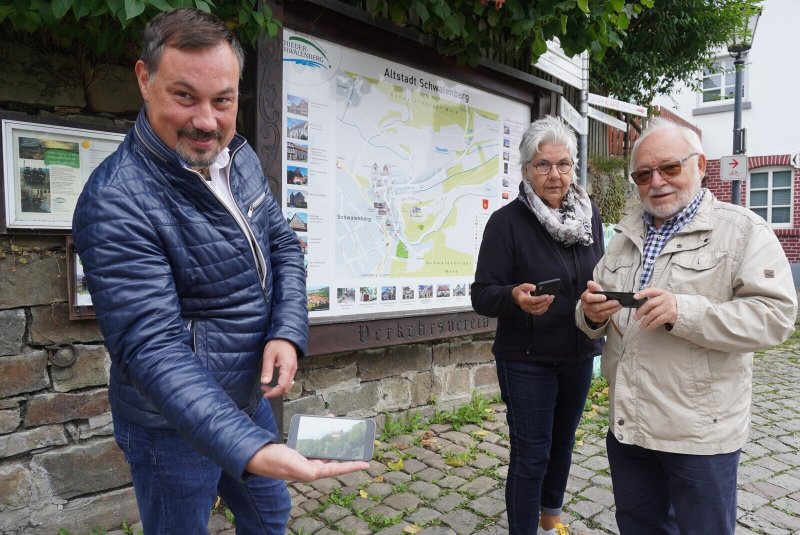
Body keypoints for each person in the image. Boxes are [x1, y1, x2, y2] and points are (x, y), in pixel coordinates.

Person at [72, 9, 368, 534]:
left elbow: (282, 245)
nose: (207, 121)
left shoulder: (238, 156)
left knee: (269, 513)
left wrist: (285, 330)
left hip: (243, 396)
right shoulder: (115, 201)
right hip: (168, 423)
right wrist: (251, 447)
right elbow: (152, 348)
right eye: (184, 96)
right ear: (145, 78)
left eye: (223, 100)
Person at [577, 118, 797, 535]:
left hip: (698, 436)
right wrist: (589, 313)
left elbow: (776, 316)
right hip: (630, 427)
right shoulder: (625, 236)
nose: (656, 181)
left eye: (669, 168)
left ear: (700, 165)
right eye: (643, 174)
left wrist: (685, 312)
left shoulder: (744, 231)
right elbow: (593, 310)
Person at [472, 115, 605, 535]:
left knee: (563, 445)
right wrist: (513, 297)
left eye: (563, 164)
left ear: (573, 168)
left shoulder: (589, 218)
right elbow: (481, 294)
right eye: (543, 165)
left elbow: (599, 274)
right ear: (527, 169)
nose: (554, 175)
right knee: (532, 455)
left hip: (579, 352)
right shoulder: (507, 222)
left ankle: (550, 520)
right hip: (526, 359)